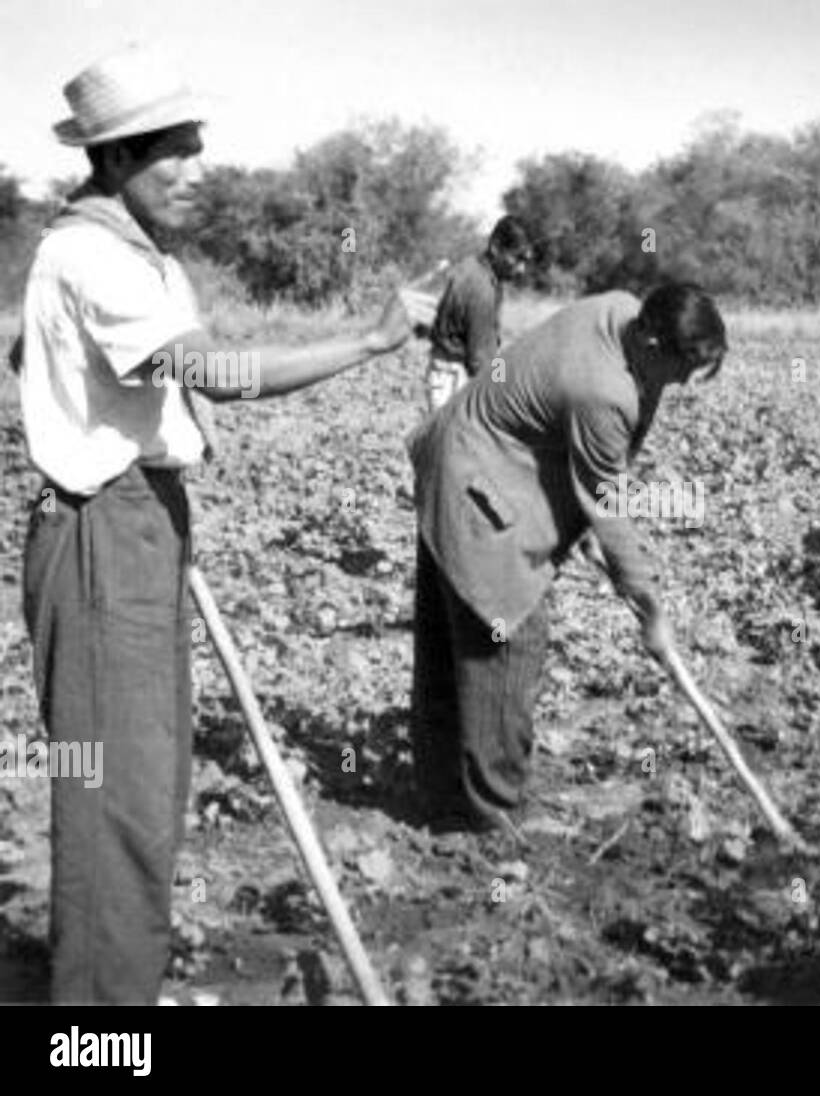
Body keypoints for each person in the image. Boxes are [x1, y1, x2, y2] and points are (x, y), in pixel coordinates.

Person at [15, 43, 412, 1004]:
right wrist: (366, 340)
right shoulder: (90, 256)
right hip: (101, 537)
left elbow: (34, 352)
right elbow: (216, 377)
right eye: (171, 153)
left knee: (146, 786)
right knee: (112, 793)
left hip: (138, 520)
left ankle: (119, 996)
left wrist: (125, 443)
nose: (196, 170)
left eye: (197, 147)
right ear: (112, 162)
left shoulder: (139, 259)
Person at [406, 284, 727, 833]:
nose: (686, 383)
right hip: (475, 479)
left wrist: (574, 522)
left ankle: (440, 799)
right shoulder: (602, 391)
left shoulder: (622, 309)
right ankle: (495, 815)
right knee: (508, 635)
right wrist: (652, 613)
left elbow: (562, 444)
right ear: (651, 340)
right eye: (683, 367)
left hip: (463, 455)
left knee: (452, 632)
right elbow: (608, 503)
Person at [422, 215, 532, 411]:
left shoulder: (474, 267)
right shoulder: (482, 289)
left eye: (525, 261)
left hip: (446, 370)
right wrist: (502, 389)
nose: (521, 269)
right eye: (517, 258)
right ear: (496, 247)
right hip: (455, 377)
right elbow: (480, 359)